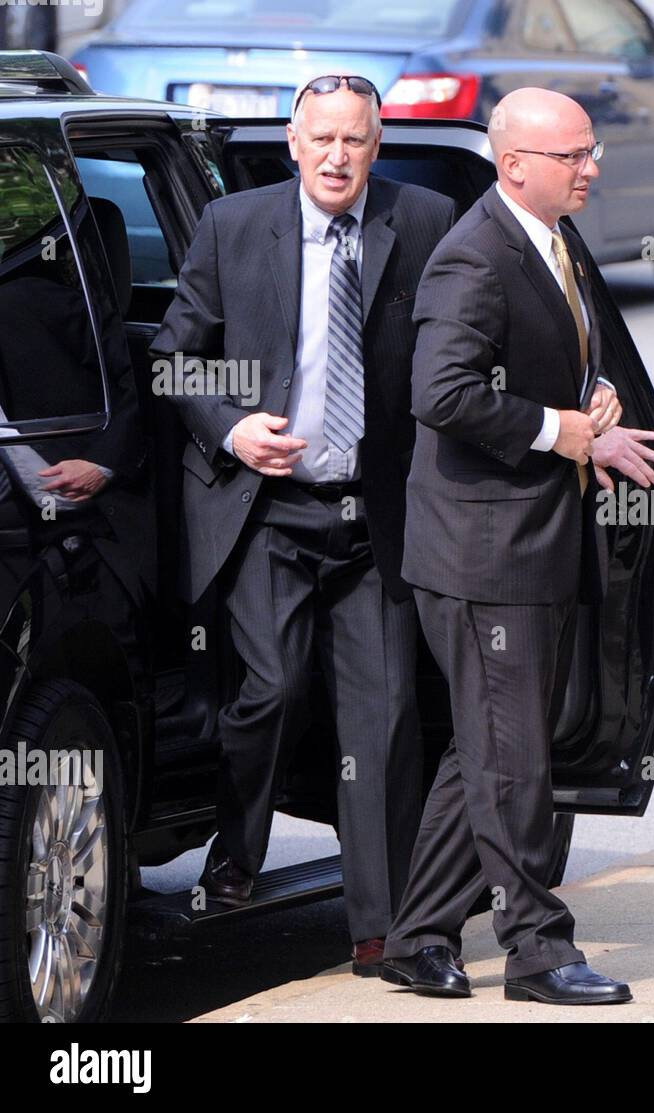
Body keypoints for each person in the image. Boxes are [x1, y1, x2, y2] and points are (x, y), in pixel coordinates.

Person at [152, 73, 456, 976]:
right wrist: (235, 427)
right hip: (268, 515)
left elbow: (469, 333)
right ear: (293, 142)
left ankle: (382, 929)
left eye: (354, 140)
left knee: (388, 718)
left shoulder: (426, 220)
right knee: (271, 690)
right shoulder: (234, 227)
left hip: (376, 520)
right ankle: (238, 847)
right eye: (320, 138)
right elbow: (172, 360)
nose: (336, 156)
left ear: (376, 144)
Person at [382, 87, 654, 1006]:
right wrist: (561, 429)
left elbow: (558, 361)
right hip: (482, 556)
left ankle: (418, 936)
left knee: (490, 751)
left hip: (534, 546)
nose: (592, 166)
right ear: (514, 165)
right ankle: (539, 947)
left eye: (591, 152)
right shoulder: (473, 256)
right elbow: (444, 393)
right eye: (573, 154)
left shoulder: (551, 241)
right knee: (517, 763)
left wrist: (597, 404)